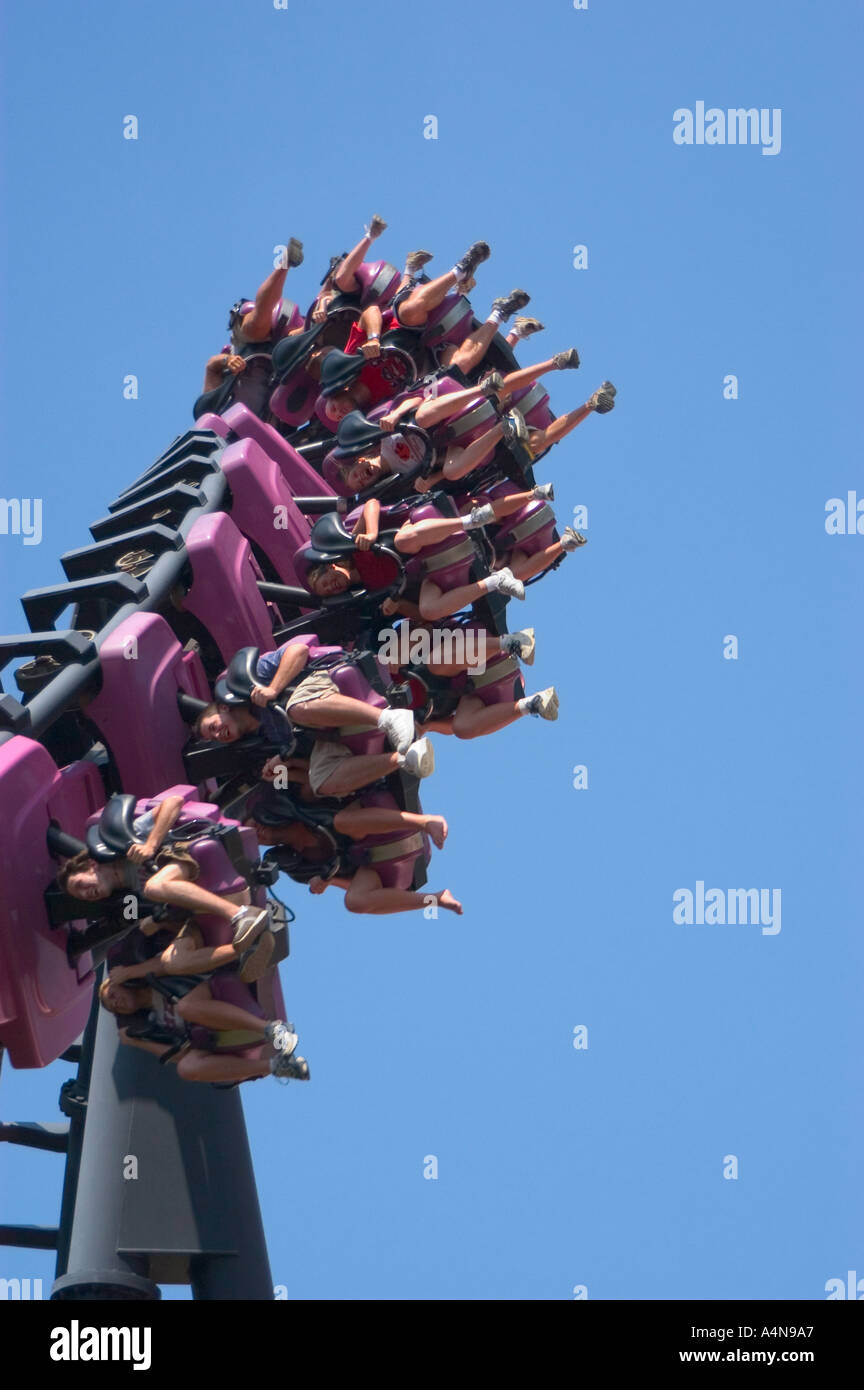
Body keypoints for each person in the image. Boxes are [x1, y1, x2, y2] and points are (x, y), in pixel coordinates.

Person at [57, 794, 271, 958]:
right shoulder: (130, 900)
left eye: (80, 886)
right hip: (200, 892)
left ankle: (241, 914)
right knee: (175, 959)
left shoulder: (123, 841)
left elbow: (174, 802)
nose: (86, 894)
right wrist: (156, 922)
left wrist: (150, 844)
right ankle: (253, 943)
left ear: (90, 866)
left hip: (187, 853)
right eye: (82, 897)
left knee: (155, 887)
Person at [99, 928, 309, 1084]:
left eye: (113, 995)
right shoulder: (153, 1022)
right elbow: (180, 1054)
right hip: (219, 1033)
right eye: (114, 1008)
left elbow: (164, 964)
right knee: (186, 1068)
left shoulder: (149, 977)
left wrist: (130, 973)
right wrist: (137, 1041)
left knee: (185, 1007)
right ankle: (276, 1066)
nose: (116, 1003)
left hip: (219, 988)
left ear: (122, 985)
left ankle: (272, 1029)